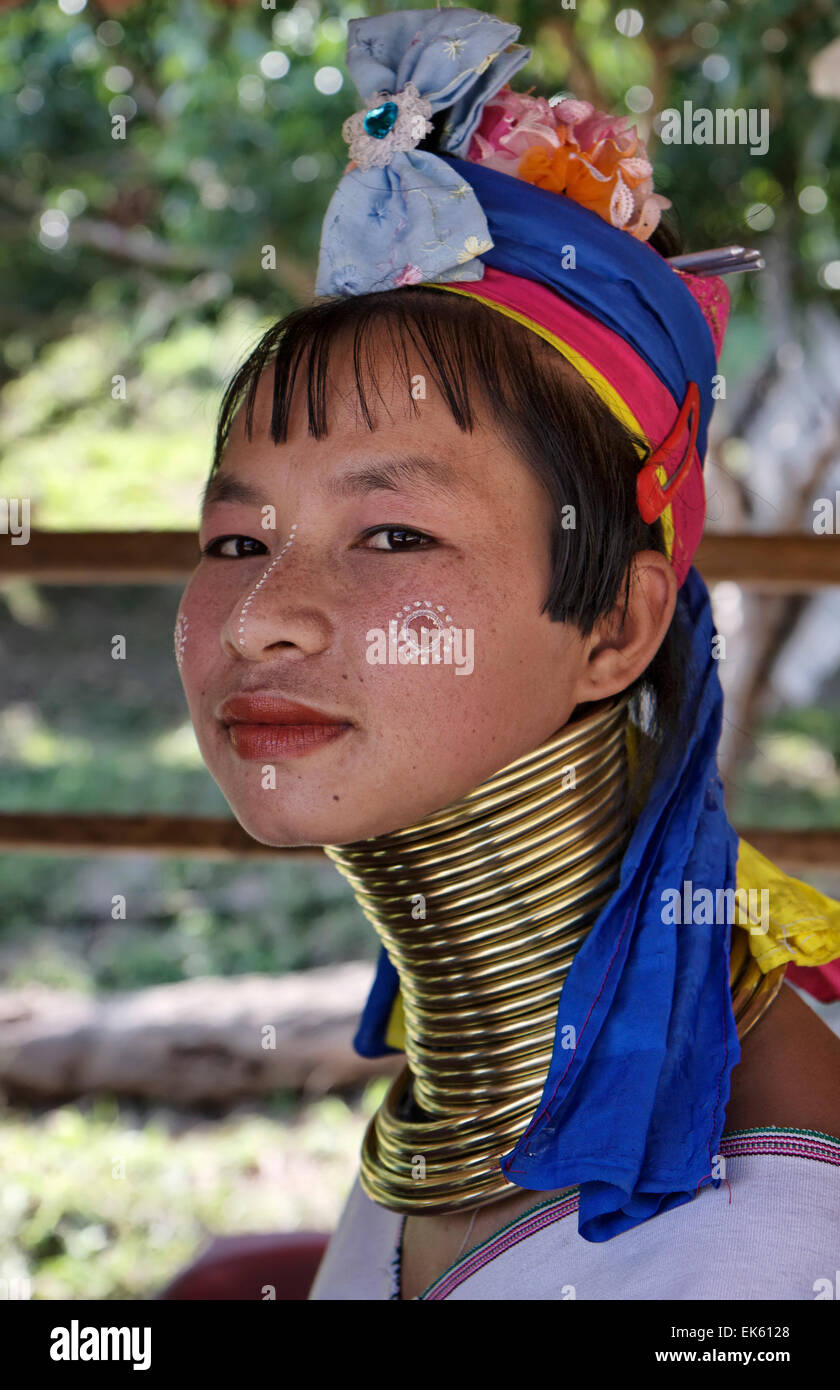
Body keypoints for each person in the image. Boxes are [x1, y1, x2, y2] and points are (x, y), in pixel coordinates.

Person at [175, 6, 840, 1300]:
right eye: (237, 542)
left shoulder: (770, 1250)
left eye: (393, 530)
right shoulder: (446, 1115)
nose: (260, 618)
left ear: (618, 622)